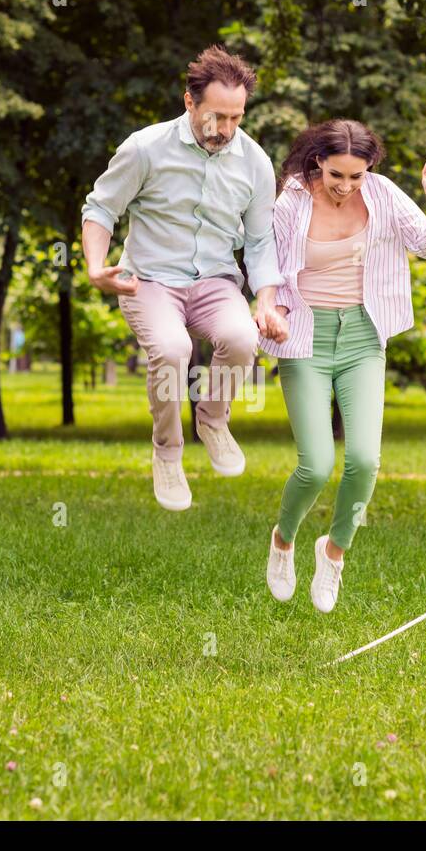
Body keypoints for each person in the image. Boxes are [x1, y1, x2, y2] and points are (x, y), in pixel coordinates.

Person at [82, 44, 289, 511]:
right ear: (189, 102)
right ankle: (168, 453)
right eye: (217, 116)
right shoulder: (144, 148)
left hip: (215, 281)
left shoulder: (254, 161)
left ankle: (213, 419)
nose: (227, 129)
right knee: (173, 350)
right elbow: (101, 207)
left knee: (241, 340)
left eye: (237, 118)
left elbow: (259, 241)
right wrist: (96, 268)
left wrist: (267, 301)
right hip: (150, 280)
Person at [261, 119, 426, 612]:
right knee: (317, 464)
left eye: (357, 176)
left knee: (365, 460)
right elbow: (272, 271)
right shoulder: (291, 202)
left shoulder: (384, 195)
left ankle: (334, 552)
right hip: (306, 337)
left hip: (363, 338)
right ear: (318, 162)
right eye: (337, 175)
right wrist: (273, 311)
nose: (346, 186)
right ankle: (283, 540)